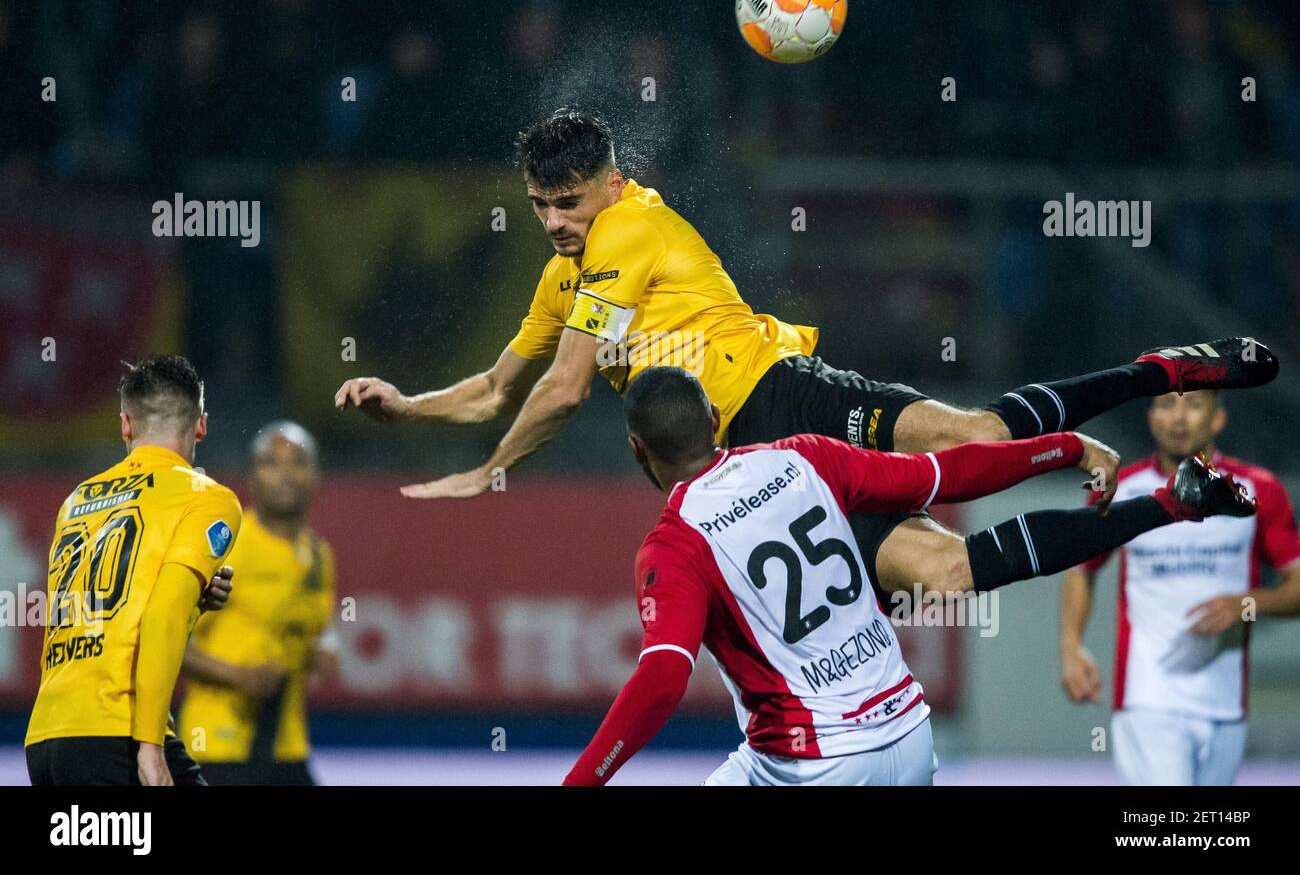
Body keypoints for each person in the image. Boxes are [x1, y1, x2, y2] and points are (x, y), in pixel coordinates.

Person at [335, 107, 1276, 593]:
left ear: (612, 183)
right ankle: (1174, 504)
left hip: (781, 395)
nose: (554, 223)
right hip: (743, 472)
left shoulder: (626, 230)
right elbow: (502, 386)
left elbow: (566, 391)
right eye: (540, 206)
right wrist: (408, 405)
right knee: (944, 573)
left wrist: (487, 473)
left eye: (568, 202)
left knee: (969, 437)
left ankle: (1162, 369)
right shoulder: (563, 277)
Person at [563, 367, 1258, 786]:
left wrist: (581, 779)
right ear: (715, 418)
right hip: (908, 733)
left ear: (636, 449)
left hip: (814, 762)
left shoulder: (674, 544)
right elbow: (953, 474)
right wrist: (1068, 447)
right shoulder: (803, 457)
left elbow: (661, 677)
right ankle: (1168, 503)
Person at [1059, 391, 1300, 785]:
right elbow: (1081, 567)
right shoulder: (1121, 489)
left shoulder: (1259, 489)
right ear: (1151, 416)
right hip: (1147, 697)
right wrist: (1072, 648)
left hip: (1225, 703)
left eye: (1193, 405)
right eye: (1167, 404)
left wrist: (1247, 603)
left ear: (1218, 417)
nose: (1179, 417)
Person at [26, 354, 241, 787]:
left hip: (47, 736)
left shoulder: (76, 501)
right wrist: (150, 748)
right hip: (118, 734)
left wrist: (195, 606)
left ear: (126, 424)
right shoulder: (207, 498)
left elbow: (103, 613)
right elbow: (162, 614)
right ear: (201, 424)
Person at [180, 421, 337, 786]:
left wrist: (322, 652)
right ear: (253, 477)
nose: (285, 474)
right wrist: (239, 677)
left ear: (315, 477)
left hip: (286, 747)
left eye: (297, 462)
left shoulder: (318, 555)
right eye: (271, 463)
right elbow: (168, 641)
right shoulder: (226, 547)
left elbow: (315, 629)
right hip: (218, 748)